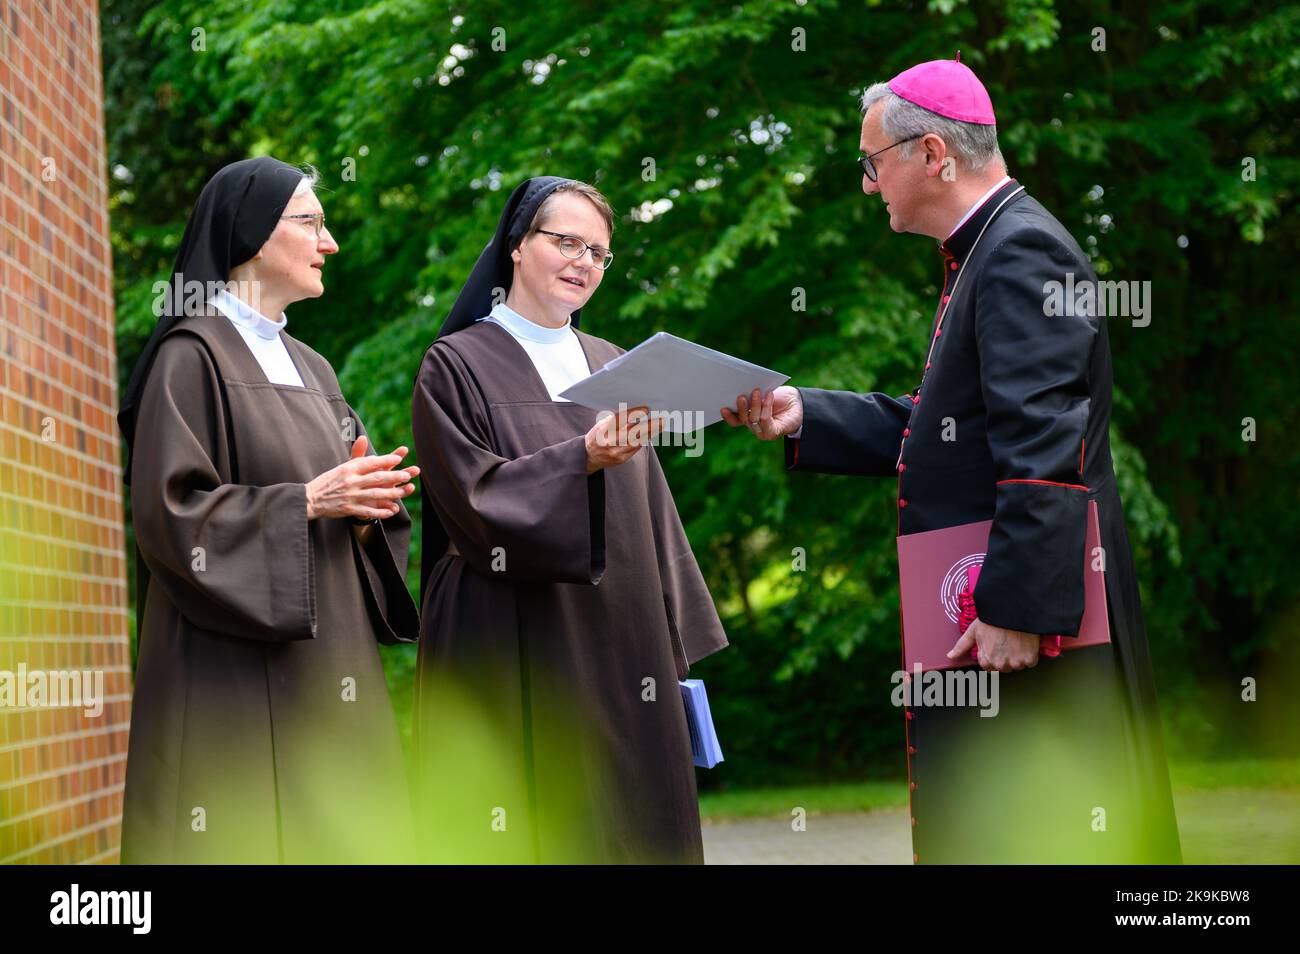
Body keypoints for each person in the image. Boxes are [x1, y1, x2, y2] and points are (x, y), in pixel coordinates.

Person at [724, 57, 1182, 864]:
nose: (870, 186)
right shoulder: (989, 249)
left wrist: (1016, 607)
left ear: (932, 153)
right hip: (1011, 608)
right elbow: (952, 428)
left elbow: (1044, 449)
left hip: (1025, 623)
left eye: (873, 164)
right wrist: (810, 415)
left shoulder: (1018, 252)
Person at [411, 176, 727, 863]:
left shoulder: (617, 363)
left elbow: (651, 512)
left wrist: (673, 630)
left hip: (625, 642)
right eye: (567, 242)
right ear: (518, 247)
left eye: (599, 252)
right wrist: (578, 458)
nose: (585, 261)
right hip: (519, 638)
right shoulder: (456, 364)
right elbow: (472, 501)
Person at [117, 157, 421, 863]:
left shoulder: (315, 369)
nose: (330, 242)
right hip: (236, 675)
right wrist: (309, 500)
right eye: (311, 222)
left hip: (332, 664)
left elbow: (343, 507)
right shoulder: (190, 356)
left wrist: (368, 505)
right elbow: (172, 516)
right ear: (253, 236)